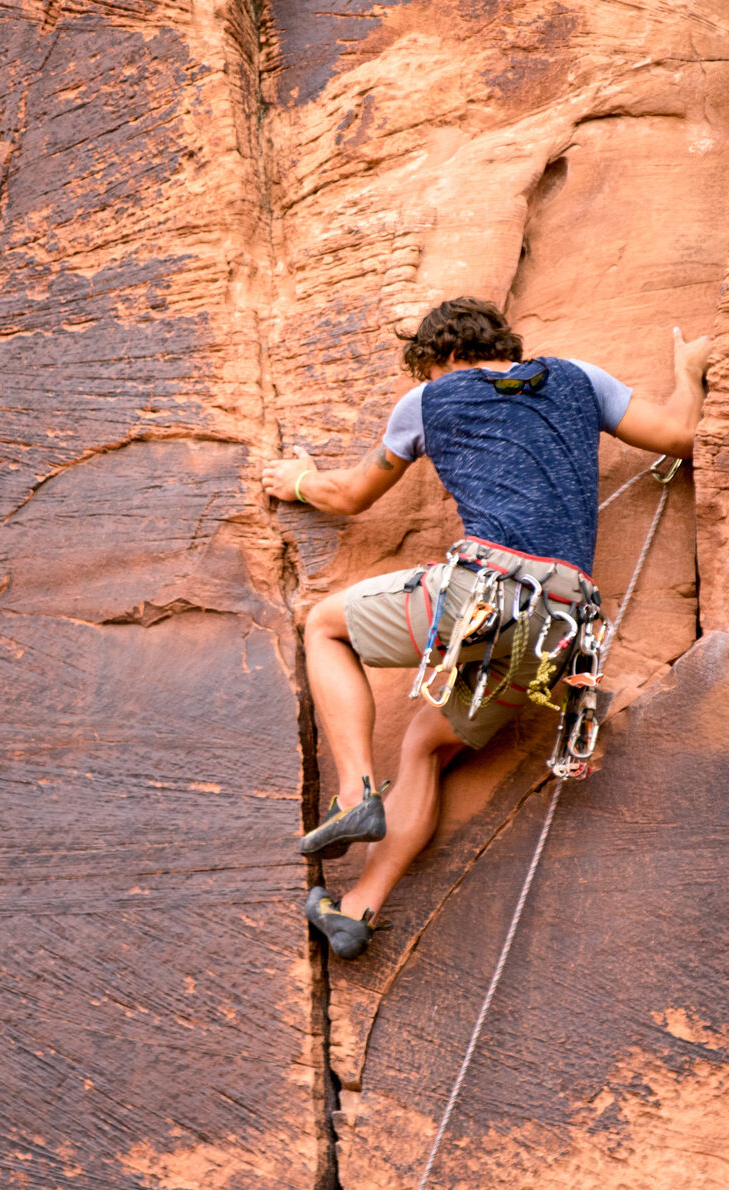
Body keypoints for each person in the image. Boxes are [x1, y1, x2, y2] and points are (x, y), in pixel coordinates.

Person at [262, 298, 711, 960]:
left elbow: (350, 495)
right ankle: (357, 910)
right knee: (425, 747)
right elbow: (678, 434)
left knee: (326, 626)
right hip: (564, 632)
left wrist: (298, 480)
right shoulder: (579, 378)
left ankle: (356, 791)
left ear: (438, 358)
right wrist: (690, 372)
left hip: (486, 594)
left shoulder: (427, 401)